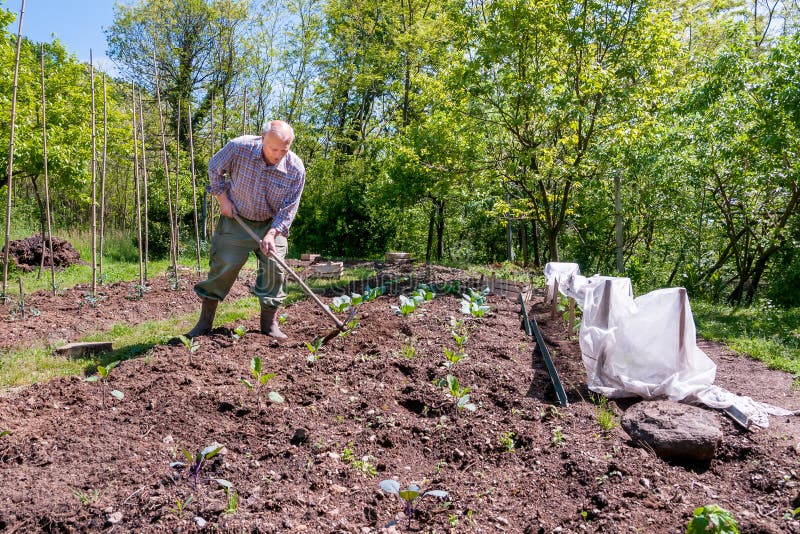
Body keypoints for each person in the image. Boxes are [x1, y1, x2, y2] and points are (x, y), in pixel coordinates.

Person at [187, 120, 305, 339]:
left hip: (271, 223)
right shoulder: (239, 147)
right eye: (274, 148)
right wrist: (222, 199)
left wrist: (272, 234)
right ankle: (204, 323)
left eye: (284, 150)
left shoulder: (295, 169)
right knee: (223, 266)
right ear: (262, 140)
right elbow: (215, 167)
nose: (278, 154)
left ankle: (269, 325)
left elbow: (289, 208)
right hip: (237, 219)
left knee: (275, 269)